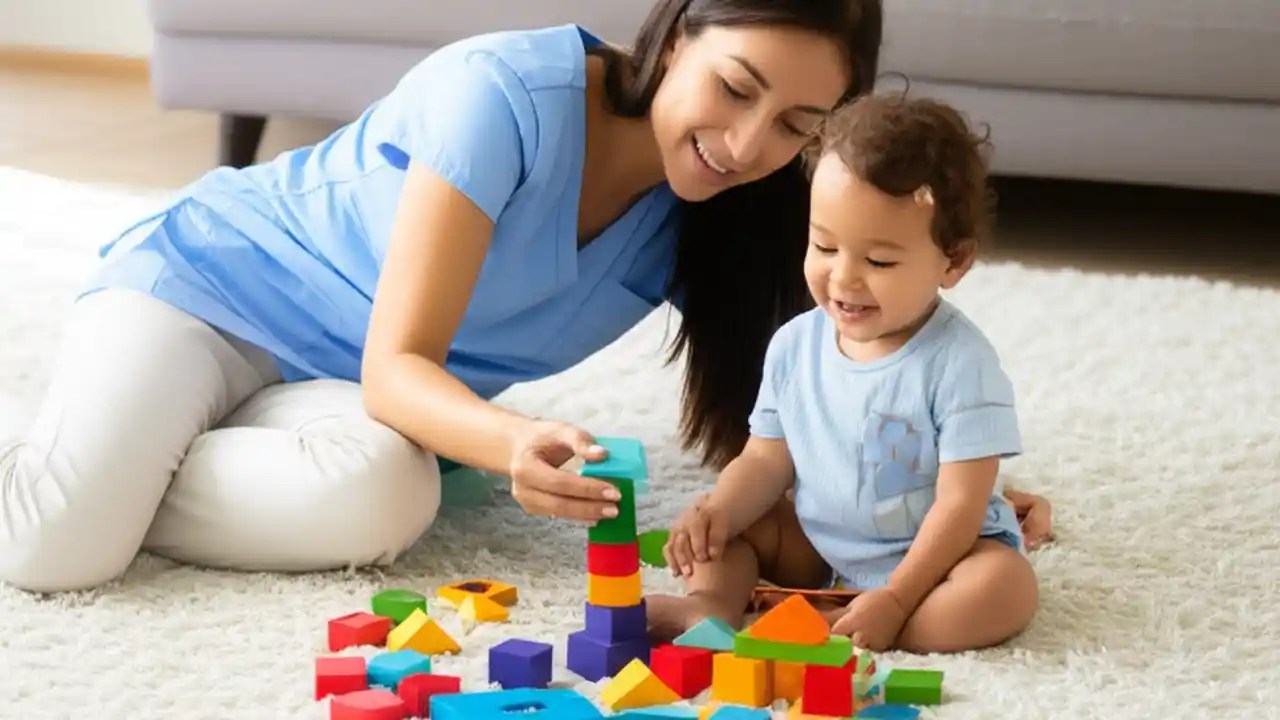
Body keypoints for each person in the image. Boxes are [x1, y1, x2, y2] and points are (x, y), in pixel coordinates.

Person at [0, 0, 1050, 594]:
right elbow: (396, 364)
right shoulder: (501, 95)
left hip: (332, 400)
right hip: (205, 294)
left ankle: (106, 463)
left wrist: (963, 498)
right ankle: (70, 460)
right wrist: (506, 444)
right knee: (56, 550)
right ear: (677, 31)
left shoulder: (730, 211)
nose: (745, 146)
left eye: (794, 126)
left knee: (387, 499)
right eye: (733, 89)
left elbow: (819, 402)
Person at [648, 93, 1043, 654]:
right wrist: (716, 511)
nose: (844, 278)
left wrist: (900, 596)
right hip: (821, 545)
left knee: (1003, 590)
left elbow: (961, 506)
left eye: (878, 261)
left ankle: (873, 619)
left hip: (941, 557)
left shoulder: (961, 364)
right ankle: (712, 605)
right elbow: (765, 459)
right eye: (824, 246)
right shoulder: (794, 345)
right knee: (735, 526)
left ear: (953, 262)